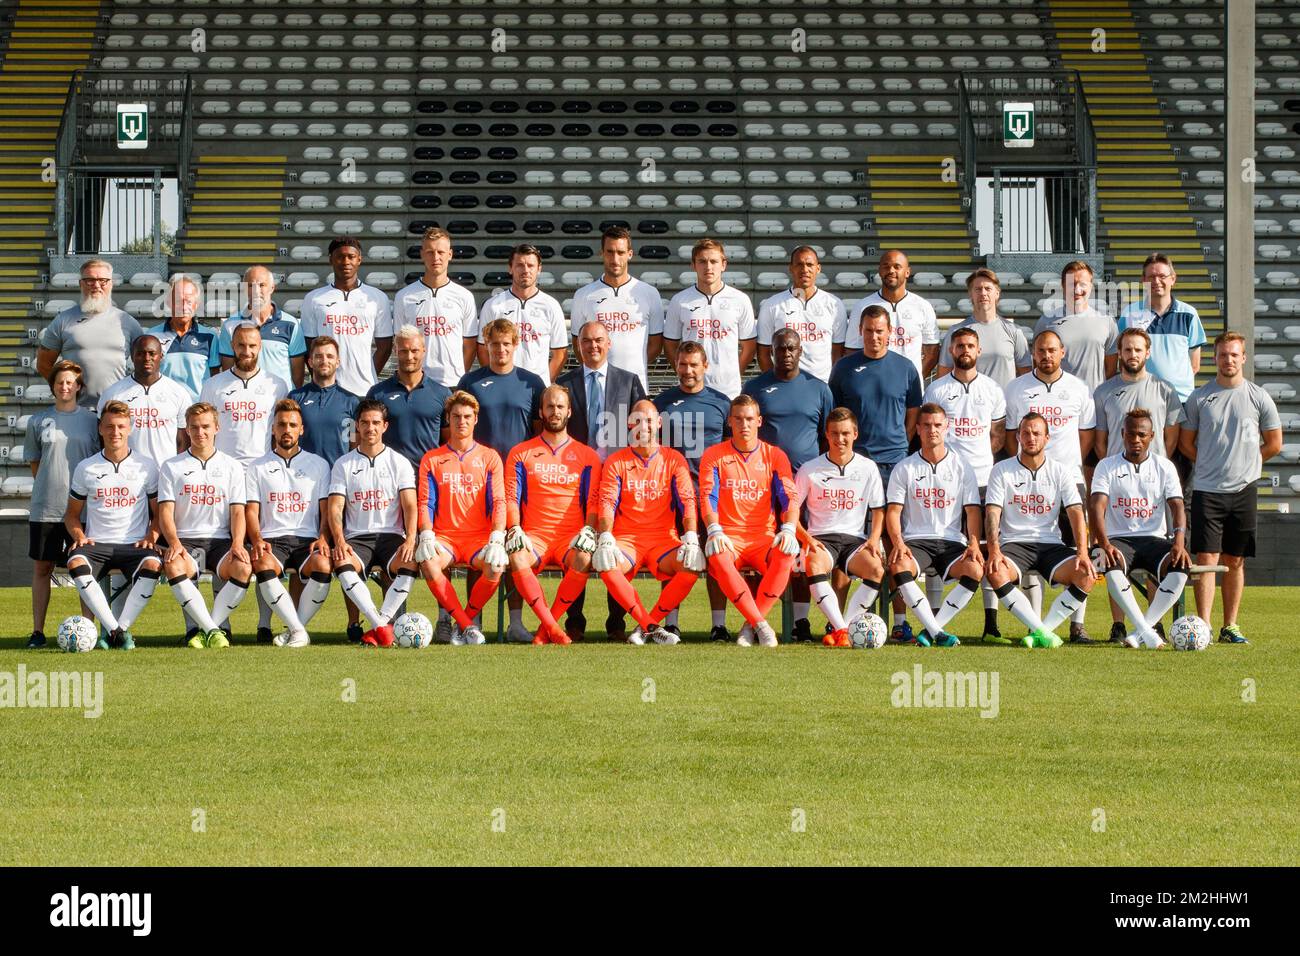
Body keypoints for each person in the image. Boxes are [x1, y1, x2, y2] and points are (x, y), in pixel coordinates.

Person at [1179, 331, 1283, 644]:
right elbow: (1186, 443)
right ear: (1215, 358)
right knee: (1206, 560)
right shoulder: (1200, 397)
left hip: (1244, 490)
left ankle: (1230, 626)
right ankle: (1204, 627)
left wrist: (1248, 463)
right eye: (1223, 355)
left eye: (1234, 355)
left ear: (1243, 358)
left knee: (1234, 559)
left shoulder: (1258, 396)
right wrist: (1212, 464)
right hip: (1208, 490)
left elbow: (1275, 443)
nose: (1229, 360)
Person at [1003, 329, 1096, 642]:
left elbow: (1086, 437)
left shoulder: (1079, 389)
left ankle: (1076, 625)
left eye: (1052, 350)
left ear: (1063, 352)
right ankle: (1035, 623)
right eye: (1041, 350)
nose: (1046, 356)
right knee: (1032, 546)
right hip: (1028, 482)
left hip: (1068, 480)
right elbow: (1010, 435)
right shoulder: (1016, 389)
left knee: (1075, 552)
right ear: (1033, 352)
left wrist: (1065, 468)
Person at [557, 319, 647, 640]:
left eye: (598, 341)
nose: (592, 347)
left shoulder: (629, 381)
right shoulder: (564, 382)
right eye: (586, 342)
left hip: (617, 477)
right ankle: (574, 619)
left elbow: (641, 424)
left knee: (614, 544)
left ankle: (616, 621)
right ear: (577, 346)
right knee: (577, 542)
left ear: (608, 344)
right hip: (575, 477)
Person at [742, 328, 833, 642]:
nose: (786, 354)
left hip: (806, 486)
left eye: (792, 348)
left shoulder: (818, 388)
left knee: (802, 556)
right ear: (771, 351)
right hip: (763, 487)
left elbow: (825, 436)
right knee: (759, 558)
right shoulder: (755, 387)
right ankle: (756, 621)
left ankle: (801, 623)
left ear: (800, 350)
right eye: (780, 349)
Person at [591, 399, 703, 645]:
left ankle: (644, 627)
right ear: (630, 424)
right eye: (638, 420)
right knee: (607, 564)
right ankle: (650, 626)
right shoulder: (616, 461)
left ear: (659, 423)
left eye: (650, 420)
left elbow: (687, 501)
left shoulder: (674, 459)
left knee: (692, 566)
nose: (644, 426)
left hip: (663, 538)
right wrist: (606, 535)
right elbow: (607, 501)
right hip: (627, 539)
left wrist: (692, 535)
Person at [983, 413, 1097, 649]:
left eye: (1036, 433)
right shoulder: (1002, 469)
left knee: (1086, 575)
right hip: (1014, 544)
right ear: (1018, 436)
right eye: (1025, 433)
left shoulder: (1060, 470)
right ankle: (1042, 631)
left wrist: (1083, 553)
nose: (1031, 438)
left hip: (1050, 544)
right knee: (995, 572)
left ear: (1047, 438)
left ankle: (1041, 631)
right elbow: (992, 513)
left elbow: (1077, 512)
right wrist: (994, 550)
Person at [923, 326, 1008, 640]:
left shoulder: (993, 390)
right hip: (947, 483)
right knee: (938, 544)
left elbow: (996, 435)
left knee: (985, 551)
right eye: (959, 346)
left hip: (984, 480)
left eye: (970, 345)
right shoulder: (936, 390)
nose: (965, 350)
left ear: (978, 350)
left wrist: (978, 464)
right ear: (951, 351)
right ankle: (933, 621)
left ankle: (991, 623)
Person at [502, 384, 602, 644]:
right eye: (550, 406)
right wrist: (514, 527)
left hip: (570, 537)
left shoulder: (587, 455)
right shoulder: (520, 453)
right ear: (541, 411)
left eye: (560, 407)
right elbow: (511, 497)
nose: (555, 412)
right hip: (534, 537)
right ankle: (552, 629)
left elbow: (592, 502)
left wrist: (589, 529)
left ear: (569, 412)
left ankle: (547, 628)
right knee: (517, 557)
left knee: (583, 558)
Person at [698, 395, 801, 647]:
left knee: (786, 556)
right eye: (739, 419)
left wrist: (788, 528)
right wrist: (713, 529)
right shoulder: (713, 455)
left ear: (759, 421)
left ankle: (750, 625)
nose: (744, 424)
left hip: (762, 537)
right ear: (730, 422)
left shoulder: (775, 456)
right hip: (728, 536)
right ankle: (762, 626)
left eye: (749, 419)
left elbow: (789, 497)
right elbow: (707, 497)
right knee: (719, 557)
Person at [63, 400, 163, 650]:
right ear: (100, 429)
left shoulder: (146, 466)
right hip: (97, 543)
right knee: (75, 561)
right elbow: (71, 515)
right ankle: (117, 631)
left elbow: (159, 513)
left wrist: (152, 535)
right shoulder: (86, 467)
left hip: (134, 544)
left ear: (130, 428)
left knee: (153, 564)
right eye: (109, 426)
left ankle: (118, 630)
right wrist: (78, 534)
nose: (115, 432)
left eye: (120, 426)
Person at [1090, 409, 1191, 649]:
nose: (1136, 440)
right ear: (1123, 434)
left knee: (1181, 565)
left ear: (1152, 436)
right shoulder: (1107, 466)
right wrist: (1104, 543)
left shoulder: (1164, 466)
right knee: (1108, 562)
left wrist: (1179, 542)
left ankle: (1139, 632)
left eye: (1142, 435)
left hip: (1155, 539)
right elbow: (1096, 507)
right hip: (1119, 540)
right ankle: (1147, 631)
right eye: (1131, 434)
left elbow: (1177, 507)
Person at [884, 404, 984, 647]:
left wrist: (973, 543)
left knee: (975, 569)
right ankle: (937, 632)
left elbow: (972, 510)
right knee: (898, 564)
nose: (932, 430)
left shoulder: (962, 467)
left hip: (951, 542)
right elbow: (893, 512)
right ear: (917, 429)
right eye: (926, 425)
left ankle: (932, 630)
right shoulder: (904, 467)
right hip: (916, 541)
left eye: (938, 425)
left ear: (946, 427)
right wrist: (898, 542)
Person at [414, 391, 508, 647]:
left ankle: (463, 622)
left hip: (478, 538)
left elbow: (499, 501)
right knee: (429, 562)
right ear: (448, 418)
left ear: (476, 419)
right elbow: (426, 503)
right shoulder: (432, 459)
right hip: (445, 538)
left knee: (495, 566)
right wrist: (425, 533)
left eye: (467, 416)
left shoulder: (490, 457)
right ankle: (467, 626)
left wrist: (498, 537)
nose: (461, 421)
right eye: (456, 416)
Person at [156, 402, 252, 649]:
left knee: (242, 567)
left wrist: (238, 543)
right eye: (194, 427)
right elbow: (165, 512)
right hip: (186, 541)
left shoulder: (231, 466)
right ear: (186, 430)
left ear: (217, 427)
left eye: (206, 427)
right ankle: (208, 630)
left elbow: (238, 512)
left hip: (220, 541)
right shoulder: (171, 466)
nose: (200, 432)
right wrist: (174, 543)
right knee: (173, 566)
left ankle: (210, 628)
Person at [652, 341, 731, 640]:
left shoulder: (722, 403)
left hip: (711, 493)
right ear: (676, 366)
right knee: (674, 556)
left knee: (714, 557)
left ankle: (718, 625)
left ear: (705, 366)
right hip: (671, 494)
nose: (688, 371)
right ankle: (670, 622)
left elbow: (728, 452)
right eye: (683, 364)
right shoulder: (662, 402)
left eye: (694, 365)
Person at [327, 399, 421, 648]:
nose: (371, 428)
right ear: (357, 426)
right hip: (356, 537)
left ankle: (380, 623)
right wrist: (339, 540)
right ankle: (381, 627)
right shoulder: (343, 464)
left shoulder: (399, 462)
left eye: (376, 423)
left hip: (390, 535)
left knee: (411, 560)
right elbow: (335, 507)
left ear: (385, 426)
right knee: (342, 560)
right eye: (365, 423)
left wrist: (411, 538)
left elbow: (410, 505)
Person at [244, 399, 334, 648]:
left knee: (324, 564)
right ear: (272, 428)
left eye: (293, 425)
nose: (287, 430)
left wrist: (324, 537)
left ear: (301, 429)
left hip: (307, 540)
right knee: (261, 561)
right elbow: (251, 511)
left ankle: (295, 629)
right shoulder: (257, 467)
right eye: (281, 424)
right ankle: (297, 630)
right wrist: (257, 540)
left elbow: (325, 510)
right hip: (272, 540)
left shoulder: (319, 464)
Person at [794, 408, 887, 647]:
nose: (840, 439)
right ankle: (843, 630)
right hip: (821, 539)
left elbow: (879, 509)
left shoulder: (868, 468)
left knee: (876, 568)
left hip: (855, 540)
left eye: (845, 433)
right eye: (834, 433)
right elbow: (791, 513)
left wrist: (874, 539)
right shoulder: (809, 469)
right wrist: (805, 538)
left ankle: (841, 628)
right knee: (813, 563)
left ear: (855, 434)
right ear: (826, 434)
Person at [23, 361, 99, 647]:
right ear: (53, 385)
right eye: (60, 382)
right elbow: (35, 462)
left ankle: (88, 631)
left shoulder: (92, 421)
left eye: (70, 382)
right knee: (43, 569)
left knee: (84, 570)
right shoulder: (37, 420)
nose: (64, 386)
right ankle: (37, 632)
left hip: (83, 511)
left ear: (79, 387)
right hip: (46, 508)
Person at [829, 304, 922, 488]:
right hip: (855, 458)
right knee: (855, 517)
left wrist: (901, 443)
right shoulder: (843, 368)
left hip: (894, 460)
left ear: (890, 331)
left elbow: (913, 413)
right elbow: (835, 412)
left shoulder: (906, 368)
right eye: (868, 330)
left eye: (879, 331)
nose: (874, 337)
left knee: (892, 516)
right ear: (860, 331)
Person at [37, 258, 143, 407]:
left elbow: (145, 365)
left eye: (103, 280)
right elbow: (43, 364)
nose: (96, 285)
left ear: (111, 284)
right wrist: (65, 392)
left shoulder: (128, 322)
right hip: (76, 410)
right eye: (89, 280)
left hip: (115, 412)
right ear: (81, 284)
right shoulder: (62, 320)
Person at [570, 225, 665, 392]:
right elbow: (578, 346)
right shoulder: (583, 295)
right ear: (602, 253)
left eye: (620, 252)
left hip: (636, 385)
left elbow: (655, 346)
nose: (615, 259)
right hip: (596, 386)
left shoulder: (649, 293)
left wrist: (631, 366)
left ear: (630, 254)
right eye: (610, 252)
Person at [301, 236, 394, 398]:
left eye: (351, 257)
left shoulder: (377, 298)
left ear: (359, 260)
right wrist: (323, 378)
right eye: (340, 257)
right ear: (331, 259)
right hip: (327, 390)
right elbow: (309, 348)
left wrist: (368, 373)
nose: (345, 261)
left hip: (365, 389)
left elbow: (385, 347)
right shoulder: (314, 299)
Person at [664, 238, 757, 399]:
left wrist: (732, 373)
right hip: (692, 390)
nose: (708, 267)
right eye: (702, 261)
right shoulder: (680, 300)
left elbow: (749, 347)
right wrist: (687, 374)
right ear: (693, 265)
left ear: (723, 265)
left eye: (714, 261)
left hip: (729, 391)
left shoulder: (740, 300)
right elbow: (670, 345)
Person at [392, 226, 478, 387]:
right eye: (430, 252)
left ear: (450, 255)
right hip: (416, 383)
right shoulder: (404, 296)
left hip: (452, 382)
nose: (436, 257)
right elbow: (400, 342)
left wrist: (458, 376)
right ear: (422, 254)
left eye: (441, 252)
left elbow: (470, 345)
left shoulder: (464, 296)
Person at [1117, 253, 1206, 403]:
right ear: (1143, 280)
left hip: (1181, 400)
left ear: (1173, 279)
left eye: (1162, 276)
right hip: (1141, 398)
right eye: (1151, 277)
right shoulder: (1130, 314)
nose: (1156, 281)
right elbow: (1122, 358)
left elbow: (1194, 365)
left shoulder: (1189, 314)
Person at [840, 249, 941, 380]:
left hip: (909, 391)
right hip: (872, 386)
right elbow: (851, 351)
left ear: (907, 272)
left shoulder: (923, 307)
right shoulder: (862, 306)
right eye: (886, 266)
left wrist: (913, 380)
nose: (891, 270)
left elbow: (932, 353)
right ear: (880, 271)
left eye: (897, 267)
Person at [475, 243, 568, 385]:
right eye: (519, 265)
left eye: (530, 265)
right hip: (502, 386)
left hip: (536, 389)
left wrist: (544, 384)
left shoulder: (551, 306)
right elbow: (482, 349)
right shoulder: (493, 305)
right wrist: (495, 381)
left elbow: (560, 353)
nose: (525, 270)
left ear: (539, 269)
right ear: (510, 268)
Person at [97, 334, 191, 472]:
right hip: (127, 474)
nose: (147, 358)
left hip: (165, 474)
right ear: (132, 357)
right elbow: (103, 439)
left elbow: (183, 441)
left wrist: (175, 471)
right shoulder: (113, 394)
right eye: (140, 353)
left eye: (152, 353)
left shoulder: (178, 393)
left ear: (161, 356)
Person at [198, 323, 289, 465]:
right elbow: (204, 430)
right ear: (232, 345)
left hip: (263, 467)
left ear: (260, 346)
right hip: (224, 468)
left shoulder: (277, 386)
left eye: (252, 346)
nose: (246, 351)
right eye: (241, 345)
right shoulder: (212, 385)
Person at [365, 324, 452, 470]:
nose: (409, 356)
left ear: (424, 351)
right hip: (388, 476)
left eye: (414, 350)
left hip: (428, 477)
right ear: (395, 351)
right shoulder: (377, 393)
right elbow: (363, 436)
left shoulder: (442, 394)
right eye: (403, 351)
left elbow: (449, 441)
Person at [456, 317, 545, 459]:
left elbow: (539, 430)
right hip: (479, 466)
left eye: (506, 344)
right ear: (486, 344)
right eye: (495, 344)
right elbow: (458, 427)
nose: (501, 349)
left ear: (515, 345)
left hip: (520, 465)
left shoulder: (532, 383)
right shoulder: (470, 382)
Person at [756, 246, 847, 382]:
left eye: (809, 264)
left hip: (823, 384)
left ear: (818, 268)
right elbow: (763, 353)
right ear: (791, 268)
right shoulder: (772, 305)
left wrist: (832, 382)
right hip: (785, 384)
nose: (805, 269)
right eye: (799, 264)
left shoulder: (834, 304)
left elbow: (838, 352)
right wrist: (776, 382)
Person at [1093, 327, 1183, 461]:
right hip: (1117, 474)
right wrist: (1111, 467)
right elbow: (1099, 443)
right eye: (1128, 350)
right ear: (1119, 353)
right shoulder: (1102, 392)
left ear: (1147, 353)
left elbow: (1172, 440)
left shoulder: (1166, 390)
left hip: (1154, 475)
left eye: (1138, 350)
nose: (1133, 355)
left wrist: (1155, 465)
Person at [936, 268, 1031, 389]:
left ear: (997, 293)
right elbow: (943, 376)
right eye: (978, 289)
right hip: (968, 405)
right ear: (970, 294)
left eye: (988, 288)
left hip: (1003, 406)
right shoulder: (955, 332)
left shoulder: (1014, 331)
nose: (983, 293)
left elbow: (1027, 376)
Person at [1033, 260, 1119, 393]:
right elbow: (1038, 365)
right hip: (1060, 401)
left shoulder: (1107, 321)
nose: (1077, 290)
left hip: (1094, 403)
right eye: (1071, 284)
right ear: (1063, 286)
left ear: (1091, 286)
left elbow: (1110, 369)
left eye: (1083, 284)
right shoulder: (1046, 322)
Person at [217, 265, 306, 389]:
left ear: (272, 287)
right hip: (245, 400)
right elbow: (228, 372)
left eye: (261, 285)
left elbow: (297, 377)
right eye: (250, 285)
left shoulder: (291, 324)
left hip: (279, 401)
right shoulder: (230, 326)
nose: (256, 291)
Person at [289, 335, 361, 465]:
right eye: (318, 356)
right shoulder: (296, 398)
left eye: (330, 356)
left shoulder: (350, 402)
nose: (324, 360)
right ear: (310, 362)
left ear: (337, 362)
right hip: (301, 474)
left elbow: (353, 442)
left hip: (338, 476)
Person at [148, 274, 219, 400]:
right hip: (165, 409)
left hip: (198, 411)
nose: (184, 306)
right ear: (169, 302)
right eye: (178, 301)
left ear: (196, 305)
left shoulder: (209, 336)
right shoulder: (151, 337)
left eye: (189, 301)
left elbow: (214, 378)